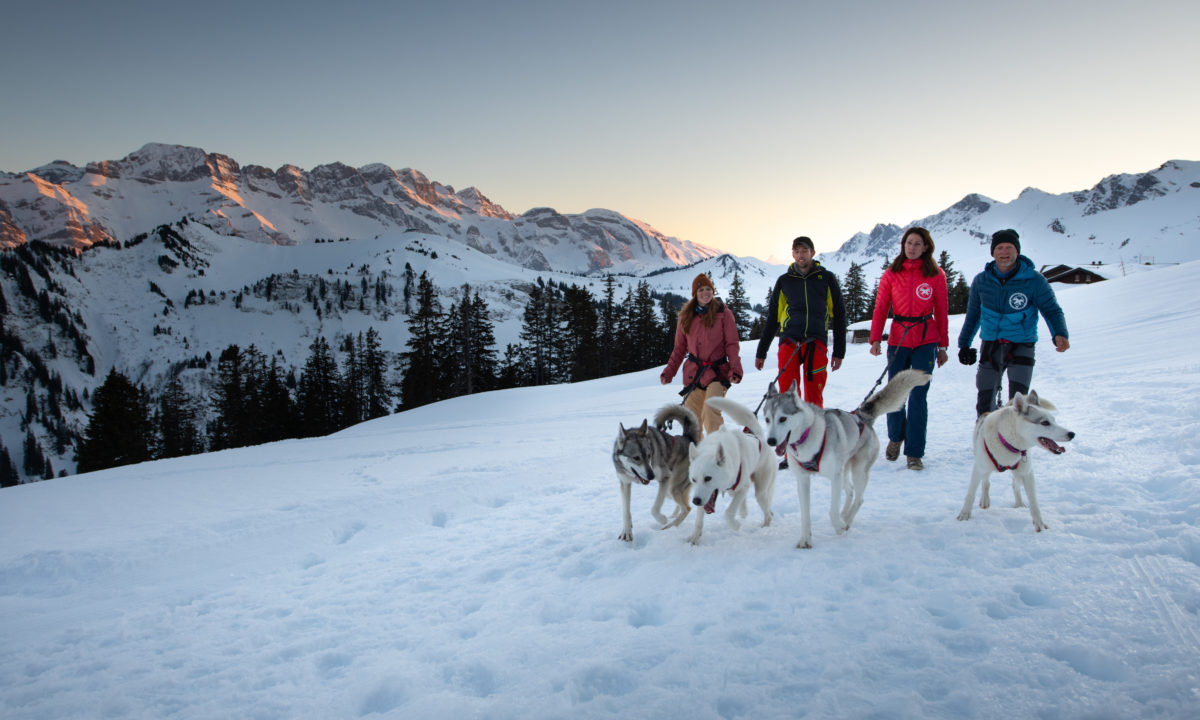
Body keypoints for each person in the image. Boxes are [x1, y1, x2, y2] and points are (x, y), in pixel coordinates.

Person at [958, 229, 1069, 417]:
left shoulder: (1034, 280)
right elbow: (973, 314)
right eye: (999, 247)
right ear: (993, 252)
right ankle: (984, 440)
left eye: (1009, 247)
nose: (1004, 252)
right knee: (985, 398)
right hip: (991, 344)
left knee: (1019, 402)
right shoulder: (981, 280)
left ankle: (1017, 444)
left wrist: (1060, 333)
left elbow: (1051, 309)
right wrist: (964, 345)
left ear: (1017, 251)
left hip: (1022, 343)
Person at [868, 227, 949, 471]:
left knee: (918, 396)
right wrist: (875, 339)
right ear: (903, 246)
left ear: (926, 247)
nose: (911, 247)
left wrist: (943, 345)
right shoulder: (891, 274)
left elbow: (942, 311)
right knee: (894, 393)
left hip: (926, 339)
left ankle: (914, 452)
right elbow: (881, 307)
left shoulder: (936, 275)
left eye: (917, 243)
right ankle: (895, 436)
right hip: (898, 338)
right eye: (908, 243)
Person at [755, 235, 847, 408]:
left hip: (816, 341)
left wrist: (839, 352)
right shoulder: (784, 281)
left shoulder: (826, 278)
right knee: (787, 397)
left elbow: (840, 315)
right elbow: (773, 317)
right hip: (789, 341)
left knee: (814, 397)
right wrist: (761, 352)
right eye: (796, 252)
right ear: (792, 254)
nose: (801, 255)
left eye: (804, 251)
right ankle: (790, 433)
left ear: (812, 252)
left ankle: (815, 433)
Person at [660, 273, 743, 436]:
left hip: (717, 373)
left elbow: (732, 344)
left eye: (708, 289)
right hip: (694, 375)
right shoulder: (685, 317)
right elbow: (679, 349)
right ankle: (698, 456)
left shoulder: (723, 314)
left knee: (710, 412)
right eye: (701, 290)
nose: (706, 293)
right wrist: (669, 372)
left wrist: (736, 369)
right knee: (692, 421)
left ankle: (721, 453)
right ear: (694, 294)